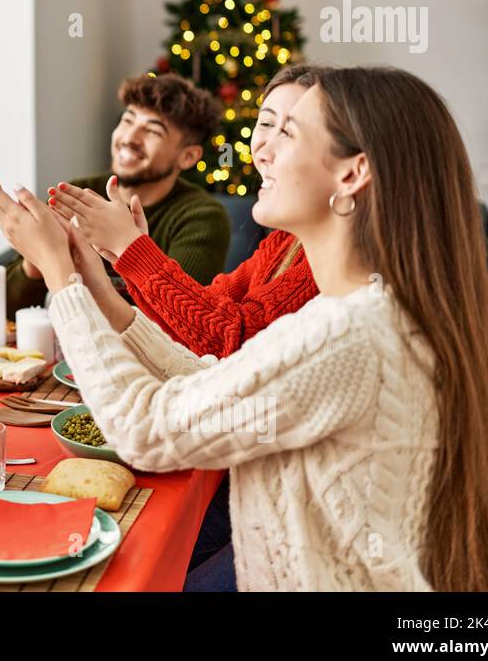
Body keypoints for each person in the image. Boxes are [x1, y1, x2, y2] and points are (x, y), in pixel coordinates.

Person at [0, 66, 488, 591]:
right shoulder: (371, 308)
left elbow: (141, 428)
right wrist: (94, 282)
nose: (261, 150)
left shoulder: (349, 333)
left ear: (352, 174)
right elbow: (221, 375)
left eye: (289, 132)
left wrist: (62, 278)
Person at [50, 62, 321, 587]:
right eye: (264, 123)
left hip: (292, 515)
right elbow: (213, 310)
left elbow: (228, 343)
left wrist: (126, 256)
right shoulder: (286, 242)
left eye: (288, 129)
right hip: (252, 480)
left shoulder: (337, 285)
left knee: (135, 557)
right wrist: (104, 263)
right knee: (117, 548)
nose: (262, 147)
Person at [4, 72, 230, 317]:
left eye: (153, 131)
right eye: (127, 120)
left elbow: (174, 319)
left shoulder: (202, 218)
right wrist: (39, 257)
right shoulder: (76, 194)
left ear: (188, 157)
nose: (130, 138)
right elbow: (4, 308)